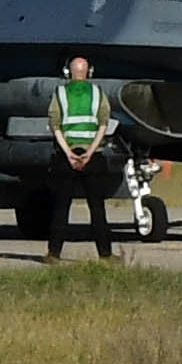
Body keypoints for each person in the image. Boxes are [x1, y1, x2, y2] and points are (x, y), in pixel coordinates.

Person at [46, 55, 117, 262]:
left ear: (68, 72)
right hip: (92, 157)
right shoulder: (97, 93)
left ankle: (53, 254)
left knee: (61, 207)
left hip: (66, 157)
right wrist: (89, 152)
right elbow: (104, 124)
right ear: (89, 72)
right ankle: (105, 255)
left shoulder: (60, 93)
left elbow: (55, 124)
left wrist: (68, 153)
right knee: (97, 208)